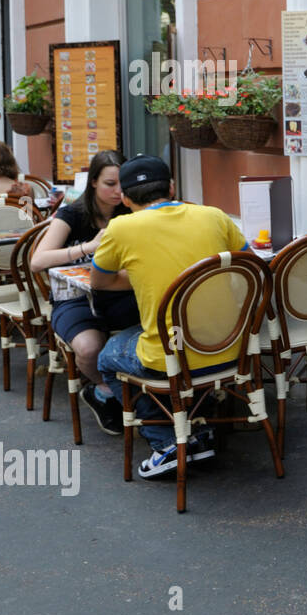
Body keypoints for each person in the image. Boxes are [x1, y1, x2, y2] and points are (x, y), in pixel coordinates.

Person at [91, 155, 249, 478]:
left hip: (173, 360)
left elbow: (100, 282)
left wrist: (139, 274)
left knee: (107, 357)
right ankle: (197, 432)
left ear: (125, 198)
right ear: (172, 188)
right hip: (232, 350)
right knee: (157, 340)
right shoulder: (214, 216)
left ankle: (167, 443)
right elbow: (248, 264)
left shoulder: (120, 228)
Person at [29, 150, 139, 436]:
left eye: (123, 185)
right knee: (90, 349)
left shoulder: (131, 212)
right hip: (74, 299)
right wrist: (87, 248)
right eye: (110, 184)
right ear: (93, 182)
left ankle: (144, 395)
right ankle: (103, 389)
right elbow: (37, 261)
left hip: (121, 295)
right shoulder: (73, 213)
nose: (118, 192)